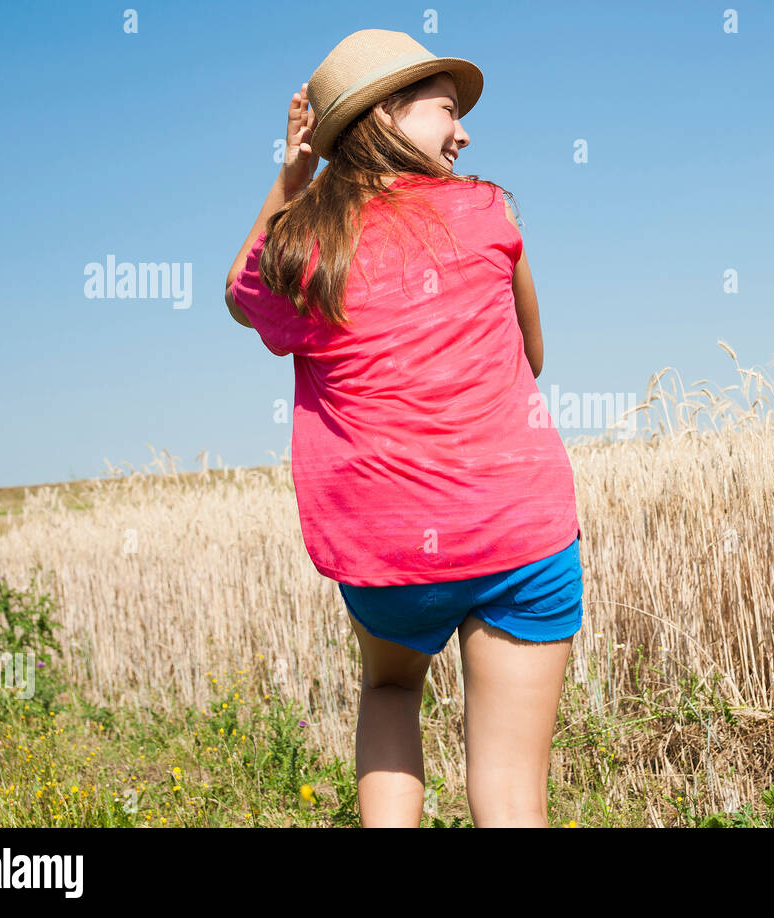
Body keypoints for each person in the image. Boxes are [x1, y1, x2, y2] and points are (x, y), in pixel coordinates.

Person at [224, 30, 584, 828]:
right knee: (514, 795)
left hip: (388, 548)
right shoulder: (491, 208)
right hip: (520, 527)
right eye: (448, 110)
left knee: (390, 689)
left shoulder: (303, 248)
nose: (464, 132)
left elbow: (236, 291)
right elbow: (533, 352)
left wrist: (292, 174)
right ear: (386, 111)